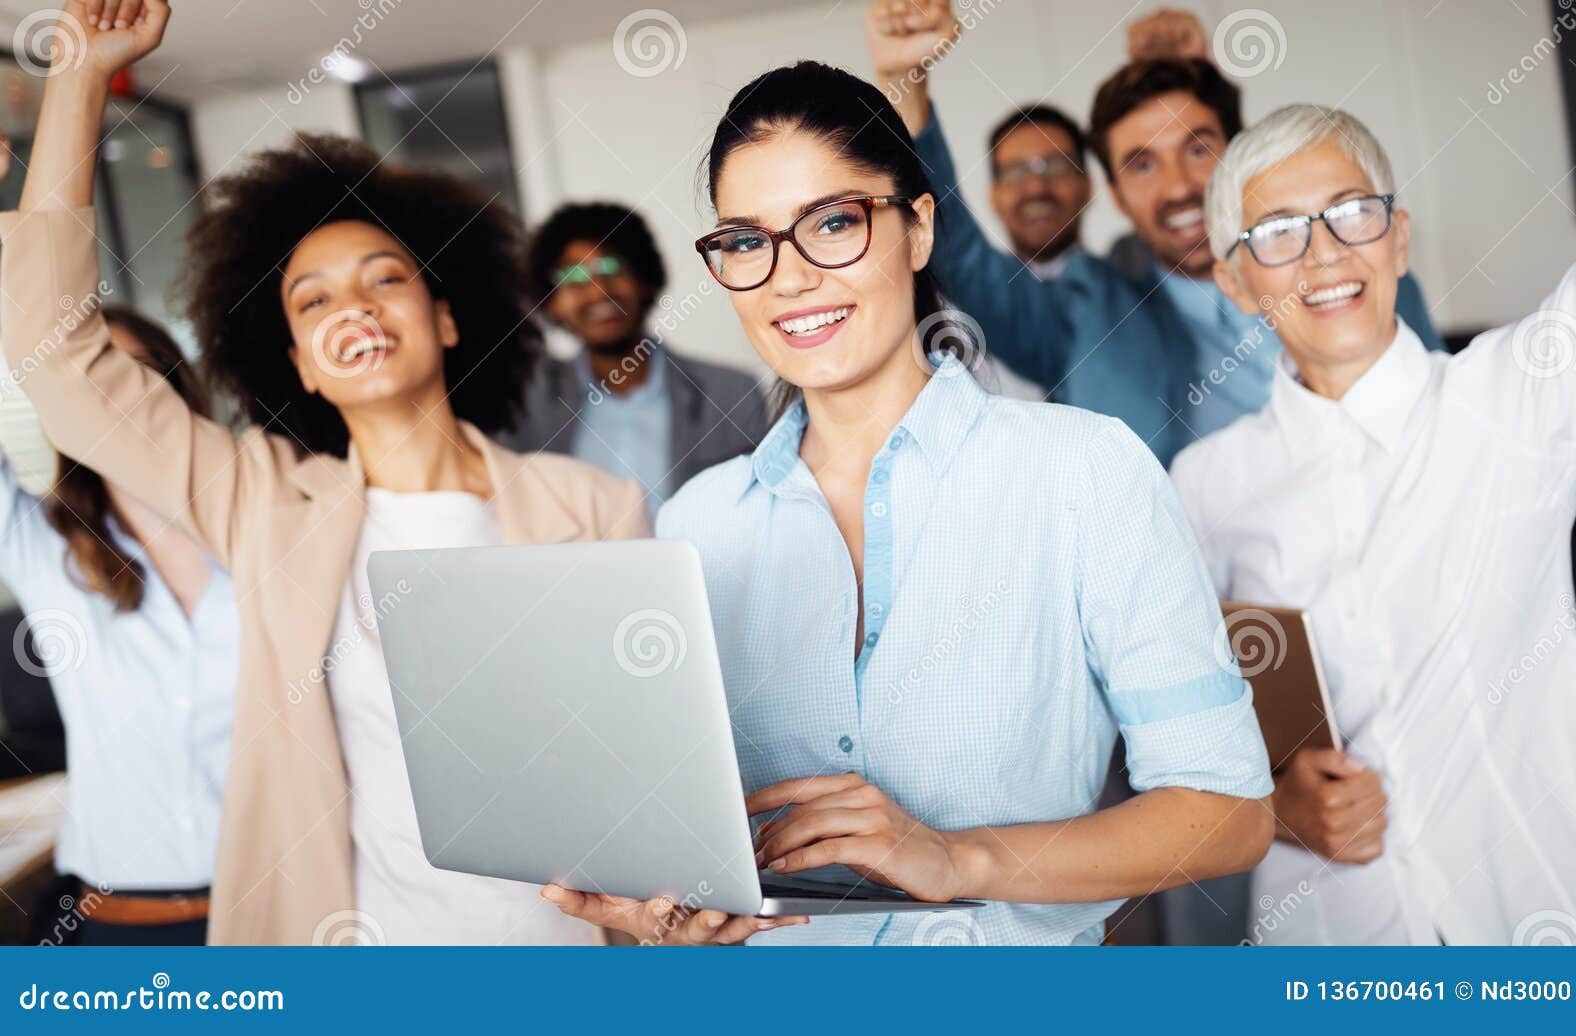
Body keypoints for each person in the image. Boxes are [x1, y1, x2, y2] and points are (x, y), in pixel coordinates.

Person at [541, 59, 1274, 947]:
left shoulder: (1083, 472)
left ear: (919, 229)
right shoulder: (697, 525)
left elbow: (1227, 813)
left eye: (833, 222)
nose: (789, 276)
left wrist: (961, 860)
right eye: (745, 240)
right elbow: (690, 849)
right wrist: (664, 921)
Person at [3, 1, 649, 945]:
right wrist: (76, 79)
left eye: (384, 278)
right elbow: (56, 357)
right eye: (314, 299)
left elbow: (644, 764)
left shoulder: (594, 506)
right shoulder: (264, 503)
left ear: (447, 318)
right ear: (300, 361)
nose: (353, 306)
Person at [1170, 103, 1576, 945]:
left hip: (1550, 916)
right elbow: (1168, 727)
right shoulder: (1206, 485)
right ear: (1235, 282)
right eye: (1279, 231)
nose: (1325, 252)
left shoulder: (1516, 391)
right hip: (1335, 945)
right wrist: (1274, 806)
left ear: (1397, 238)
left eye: (1352, 213)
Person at [866, 0, 1444, 464]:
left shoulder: (1350, 267)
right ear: (1113, 192)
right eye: (1141, 164)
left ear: (1236, 152)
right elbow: (963, 258)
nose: (1177, 187)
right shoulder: (1090, 310)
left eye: (1198, 148)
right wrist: (904, 81)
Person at [0, 306, 236, 945]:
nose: (111, 397)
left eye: (129, 372)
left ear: (178, 389)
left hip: (279, 917)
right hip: (121, 929)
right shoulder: (44, 549)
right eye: (84, 380)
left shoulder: (264, 536)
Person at [507, 202, 769, 513]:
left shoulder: (730, 393)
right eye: (573, 275)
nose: (597, 291)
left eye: (612, 267)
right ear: (552, 301)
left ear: (645, 280)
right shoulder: (526, 404)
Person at [985, 104, 1090, 279]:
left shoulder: (1129, 292)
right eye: (1016, 171)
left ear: (1087, 186)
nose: (1037, 187)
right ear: (994, 196)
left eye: (1056, 167)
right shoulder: (954, 301)